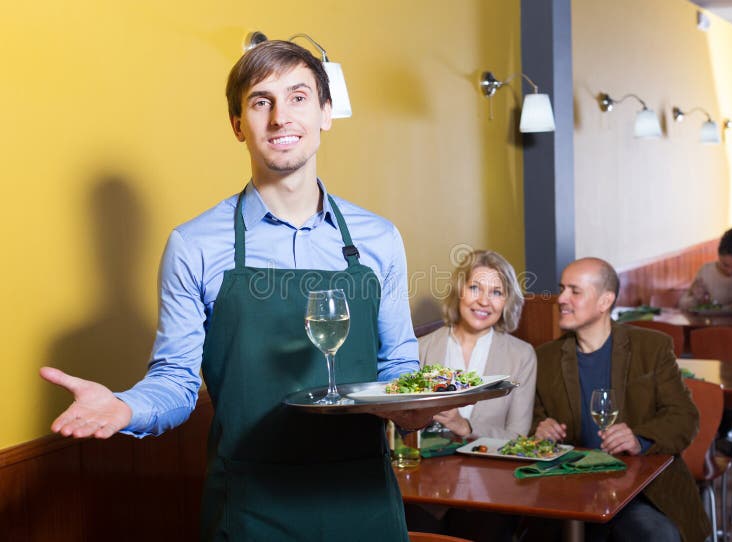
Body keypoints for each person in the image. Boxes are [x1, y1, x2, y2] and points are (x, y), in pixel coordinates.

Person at [39, 40, 436, 541]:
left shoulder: (379, 239)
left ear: (326, 112)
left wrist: (416, 407)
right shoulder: (194, 245)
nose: (280, 118)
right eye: (260, 101)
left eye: (298, 97)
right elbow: (176, 382)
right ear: (237, 124)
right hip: (251, 508)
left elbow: (398, 361)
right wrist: (126, 407)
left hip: (362, 504)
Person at [531, 257, 711, 542]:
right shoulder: (544, 358)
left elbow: (684, 418)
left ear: (605, 301)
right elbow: (532, 420)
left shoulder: (651, 347)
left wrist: (639, 439)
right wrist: (539, 430)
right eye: (561, 288)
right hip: (566, 490)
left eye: (574, 291)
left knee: (656, 536)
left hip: (640, 492)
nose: (561, 298)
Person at [419, 249, 536, 439]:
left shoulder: (522, 355)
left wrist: (466, 426)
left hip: (491, 466)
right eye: (475, 288)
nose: (483, 301)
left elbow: (518, 437)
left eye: (496, 292)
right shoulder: (421, 349)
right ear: (459, 291)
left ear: (507, 301)